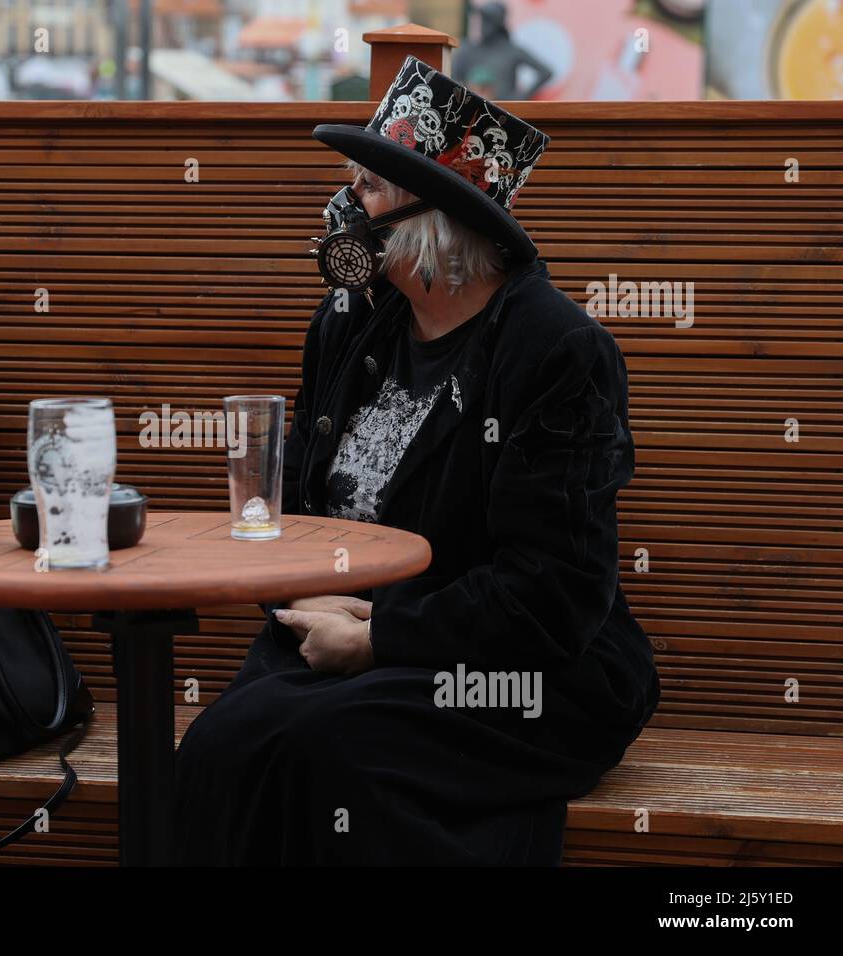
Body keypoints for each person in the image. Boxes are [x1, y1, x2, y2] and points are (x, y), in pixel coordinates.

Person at [173, 55, 661, 865]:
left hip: (530, 671)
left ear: (433, 218)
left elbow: (555, 593)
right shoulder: (352, 324)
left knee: (324, 756)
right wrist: (301, 603)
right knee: (221, 746)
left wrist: (382, 639)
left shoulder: (558, 352)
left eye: (363, 191)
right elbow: (298, 503)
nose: (340, 213)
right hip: (346, 636)